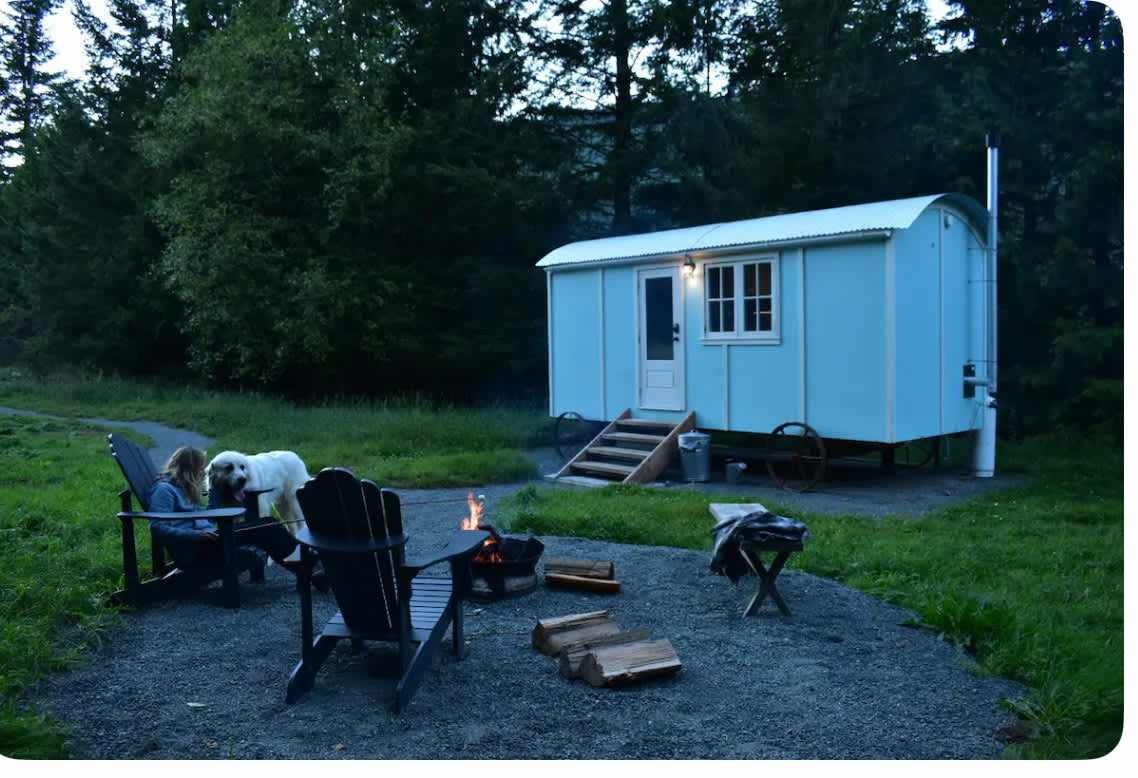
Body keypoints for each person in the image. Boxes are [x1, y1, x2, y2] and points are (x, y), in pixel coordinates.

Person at [148, 446, 327, 591]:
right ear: (188, 468)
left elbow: (207, 518)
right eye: (200, 468)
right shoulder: (163, 490)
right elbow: (157, 528)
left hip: (210, 539)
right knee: (266, 529)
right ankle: (311, 568)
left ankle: (309, 568)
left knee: (268, 524)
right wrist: (197, 536)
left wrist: (215, 494)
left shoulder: (185, 488)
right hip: (197, 549)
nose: (204, 472)